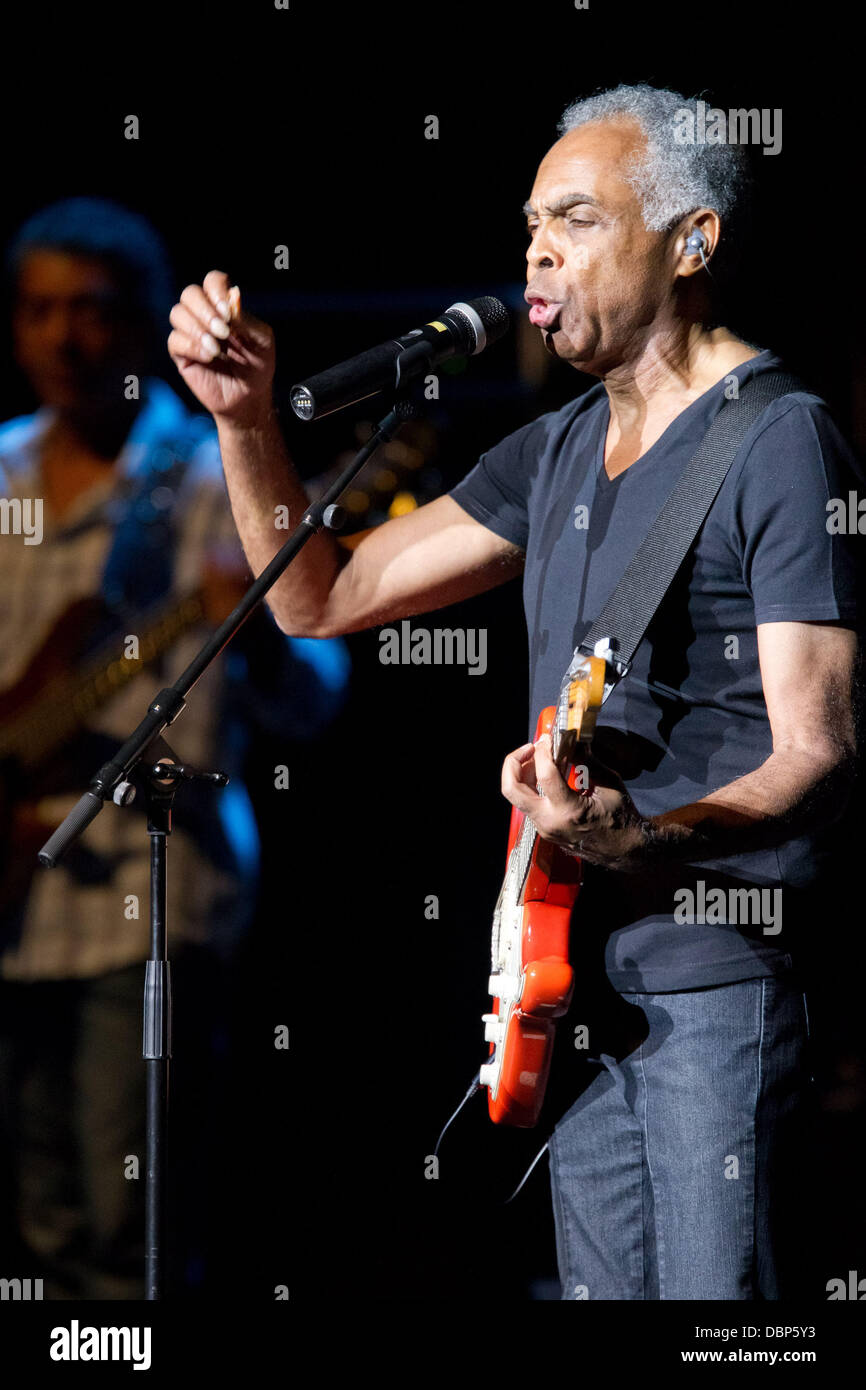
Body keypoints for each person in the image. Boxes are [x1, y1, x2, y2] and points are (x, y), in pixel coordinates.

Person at [166, 84, 862, 1300]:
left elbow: (818, 749)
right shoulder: (552, 449)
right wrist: (242, 423)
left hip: (710, 980)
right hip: (566, 981)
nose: (537, 249)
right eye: (530, 221)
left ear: (691, 240)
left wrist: (645, 835)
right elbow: (316, 597)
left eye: (578, 218)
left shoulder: (779, 440)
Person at [0, 197, 350, 1298]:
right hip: (10, 898)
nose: (64, 338)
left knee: (129, 1231)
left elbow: (310, 701)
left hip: (150, 904)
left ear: (143, 321)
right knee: (39, 1219)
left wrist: (253, 643)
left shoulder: (214, 479)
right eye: (40, 311)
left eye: (94, 313)